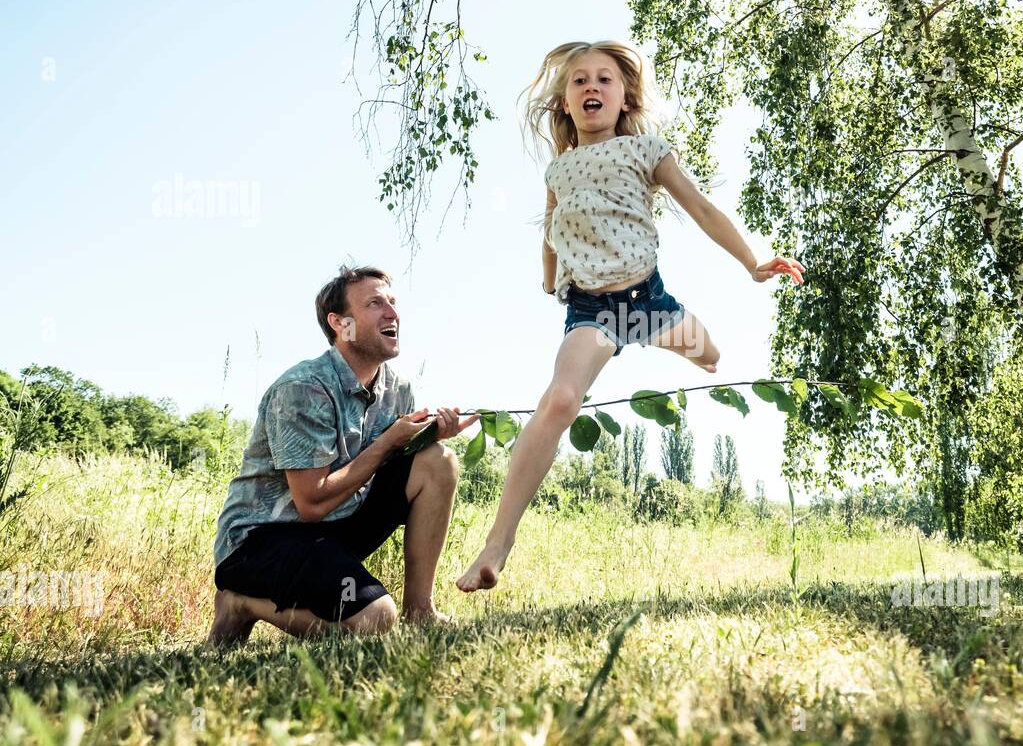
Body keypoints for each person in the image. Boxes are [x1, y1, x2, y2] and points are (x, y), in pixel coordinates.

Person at [455, 40, 806, 593]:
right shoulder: (558, 171)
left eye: (604, 79)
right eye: (578, 81)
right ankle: (498, 542)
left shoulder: (647, 152)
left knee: (710, 355)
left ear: (625, 99)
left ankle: (685, 345)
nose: (591, 86)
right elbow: (551, 233)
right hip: (591, 310)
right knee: (562, 400)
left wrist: (753, 262)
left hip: (648, 302)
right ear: (566, 104)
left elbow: (704, 209)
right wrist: (549, 280)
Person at [206, 265, 478, 646]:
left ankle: (421, 610)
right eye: (375, 303)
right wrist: (388, 442)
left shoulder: (398, 390)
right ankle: (241, 602)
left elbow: (393, 469)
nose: (392, 313)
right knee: (376, 620)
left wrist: (424, 437)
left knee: (439, 460)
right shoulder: (304, 388)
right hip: (264, 540)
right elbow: (311, 504)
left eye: (393, 303)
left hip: (336, 528)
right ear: (341, 324)